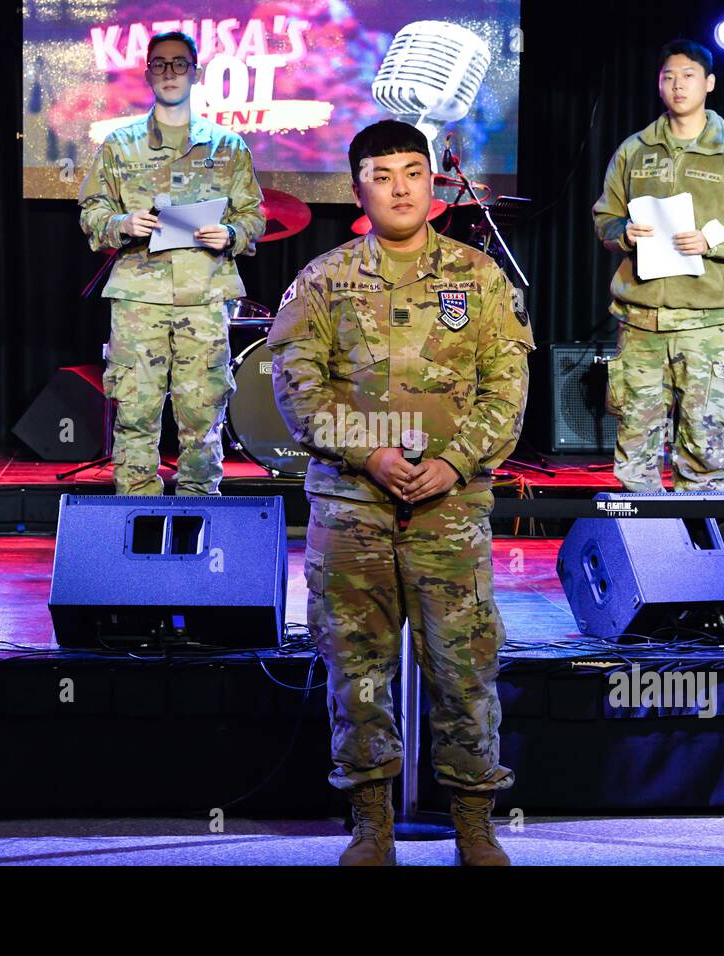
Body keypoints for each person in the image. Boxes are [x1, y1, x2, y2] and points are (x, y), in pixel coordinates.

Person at [267, 120, 534, 866]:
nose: (399, 187)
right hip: (353, 509)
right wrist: (369, 453)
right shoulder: (323, 279)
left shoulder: (479, 278)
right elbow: (298, 390)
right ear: (357, 189)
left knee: (466, 668)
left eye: (413, 172)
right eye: (381, 175)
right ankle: (371, 822)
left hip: (451, 510)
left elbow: (506, 394)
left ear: (434, 182)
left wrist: (451, 463)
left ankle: (473, 822)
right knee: (356, 670)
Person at [78, 30, 265, 495]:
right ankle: (136, 525)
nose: (169, 72)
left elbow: (255, 216)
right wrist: (122, 223)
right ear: (147, 74)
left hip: (204, 299)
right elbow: (91, 211)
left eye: (179, 63)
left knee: (202, 419)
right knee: (136, 415)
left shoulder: (228, 147)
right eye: (160, 64)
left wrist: (232, 234)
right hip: (140, 299)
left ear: (195, 72)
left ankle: (199, 523)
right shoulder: (120, 145)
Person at [592, 38, 724, 492]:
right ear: (659, 84)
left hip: (705, 324)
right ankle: (642, 544)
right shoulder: (636, 150)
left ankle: (699, 544)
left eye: (688, 76)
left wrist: (710, 239)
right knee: (635, 438)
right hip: (640, 321)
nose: (678, 85)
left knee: (703, 437)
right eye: (669, 76)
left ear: (709, 83)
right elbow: (604, 214)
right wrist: (622, 232)